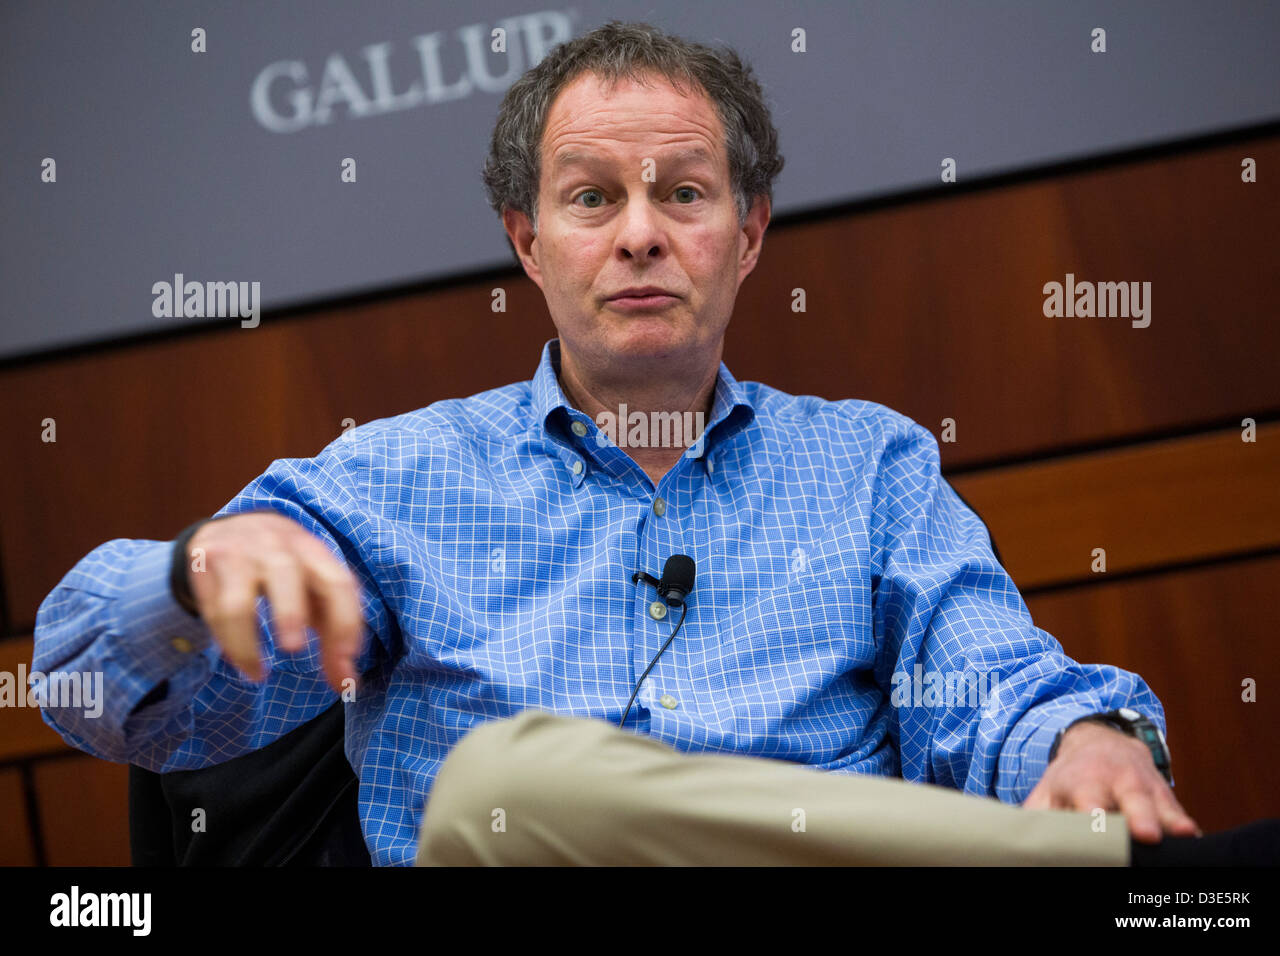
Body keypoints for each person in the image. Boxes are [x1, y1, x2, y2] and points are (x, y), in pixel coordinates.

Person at [33, 21, 1201, 867]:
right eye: (592, 199)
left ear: (747, 237)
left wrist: (1084, 736)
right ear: (528, 243)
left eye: (683, 195)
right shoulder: (396, 480)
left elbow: (987, 676)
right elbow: (102, 697)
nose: (640, 235)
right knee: (504, 784)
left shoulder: (871, 468)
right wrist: (188, 575)